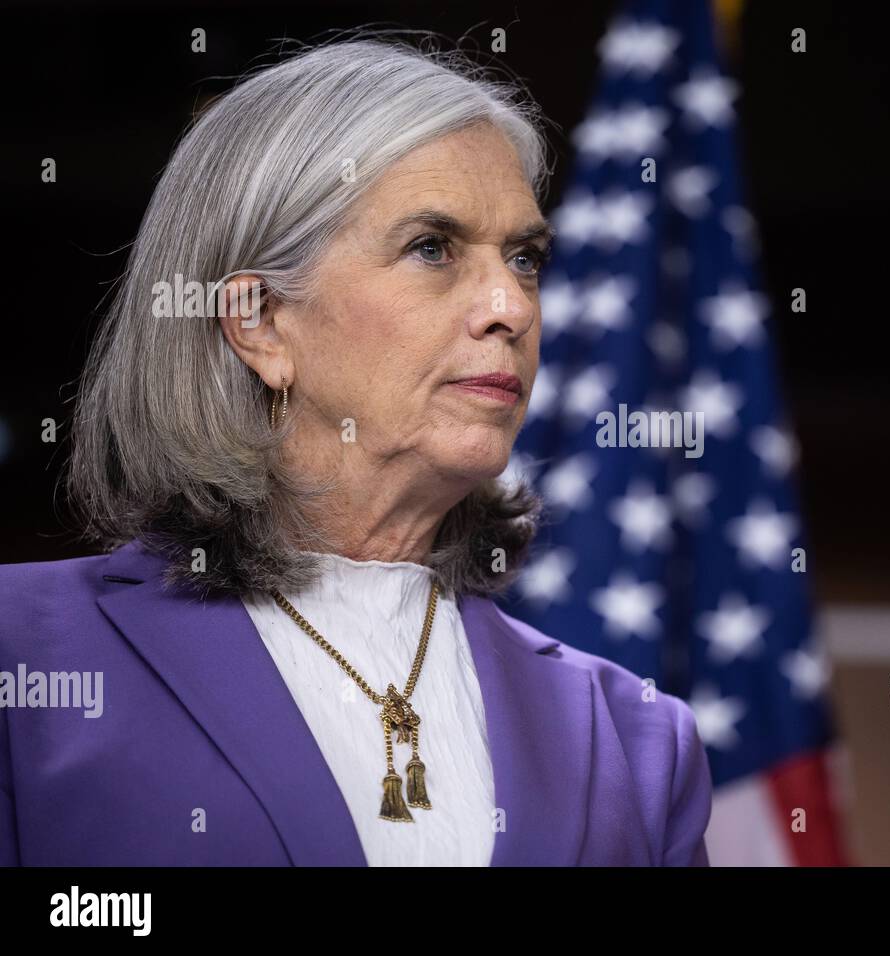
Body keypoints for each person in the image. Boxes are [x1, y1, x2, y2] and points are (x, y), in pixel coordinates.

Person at [0, 37, 712, 866]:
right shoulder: (26, 662)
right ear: (260, 321)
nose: (510, 305)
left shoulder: (636, 737)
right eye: (433, 248)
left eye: (525, 258)